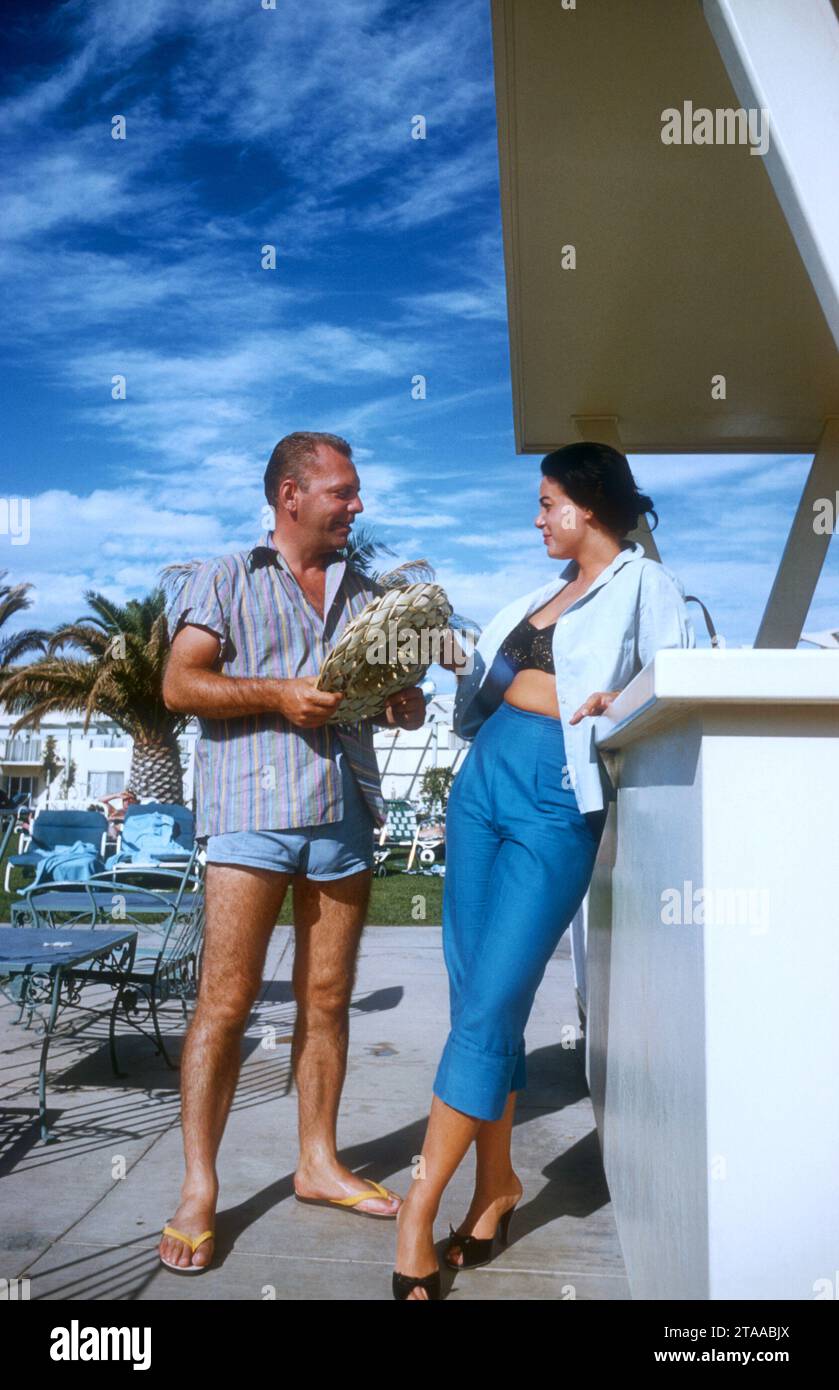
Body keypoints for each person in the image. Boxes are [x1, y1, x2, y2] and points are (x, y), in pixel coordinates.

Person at [392, 441, 696, 1299]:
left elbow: (670, 692)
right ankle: (495, 1186)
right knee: (475, 998)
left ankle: (420, 1209)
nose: (536, 518)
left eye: (547, 503)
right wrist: (422, 644)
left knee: (490, 1004)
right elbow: (486, 686)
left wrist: (615, 703)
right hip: (482, 782)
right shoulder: (536, 597)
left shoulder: (647, 585)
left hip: (555, 798)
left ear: (590, 505)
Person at [159, 431, 425, 1273]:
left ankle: (317, 1163)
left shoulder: (368, 592)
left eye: (355, 491)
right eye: (342, 492)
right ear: (291, 497)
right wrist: (278, 692)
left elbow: (393, 700)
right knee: (227, 1001)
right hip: (248, 814)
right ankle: (199, 1188)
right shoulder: (227, 576)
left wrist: (402, 700)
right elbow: (180, 685)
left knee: (327, 996)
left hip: (342, 813)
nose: (356, 505)